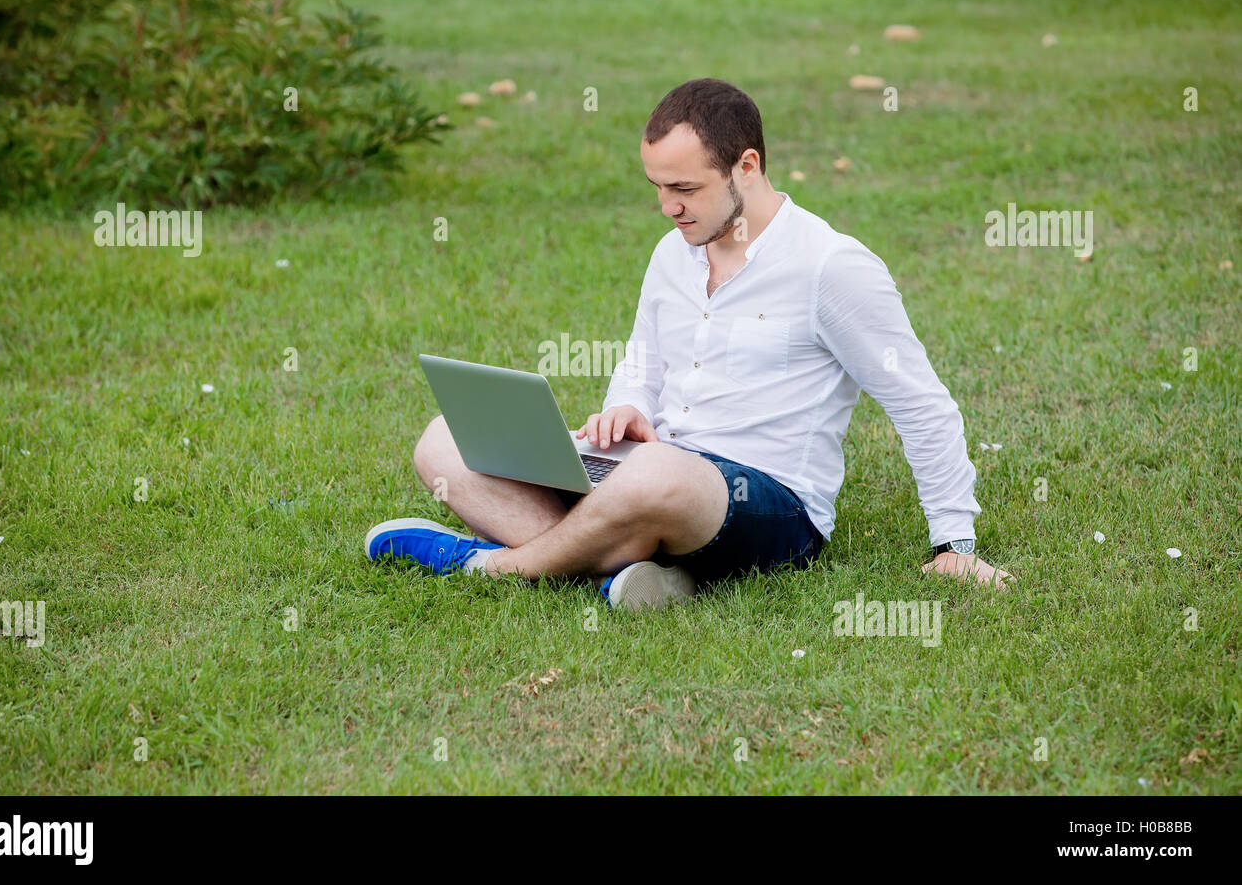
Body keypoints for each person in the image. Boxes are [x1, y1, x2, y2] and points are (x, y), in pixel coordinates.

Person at [367, 77, 1013, 611]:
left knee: (656, 474)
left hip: (769, 505)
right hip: (650, 470)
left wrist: (954, 542)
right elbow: (642, 362)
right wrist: (626, 408)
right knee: (443, 440)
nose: (667, 207)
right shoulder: (673, 252)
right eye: (656, 187)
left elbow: (920, 402)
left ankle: (492, 565)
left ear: (746, 168)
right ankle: (627, 573)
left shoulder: (831, 266)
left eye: (684, 189)